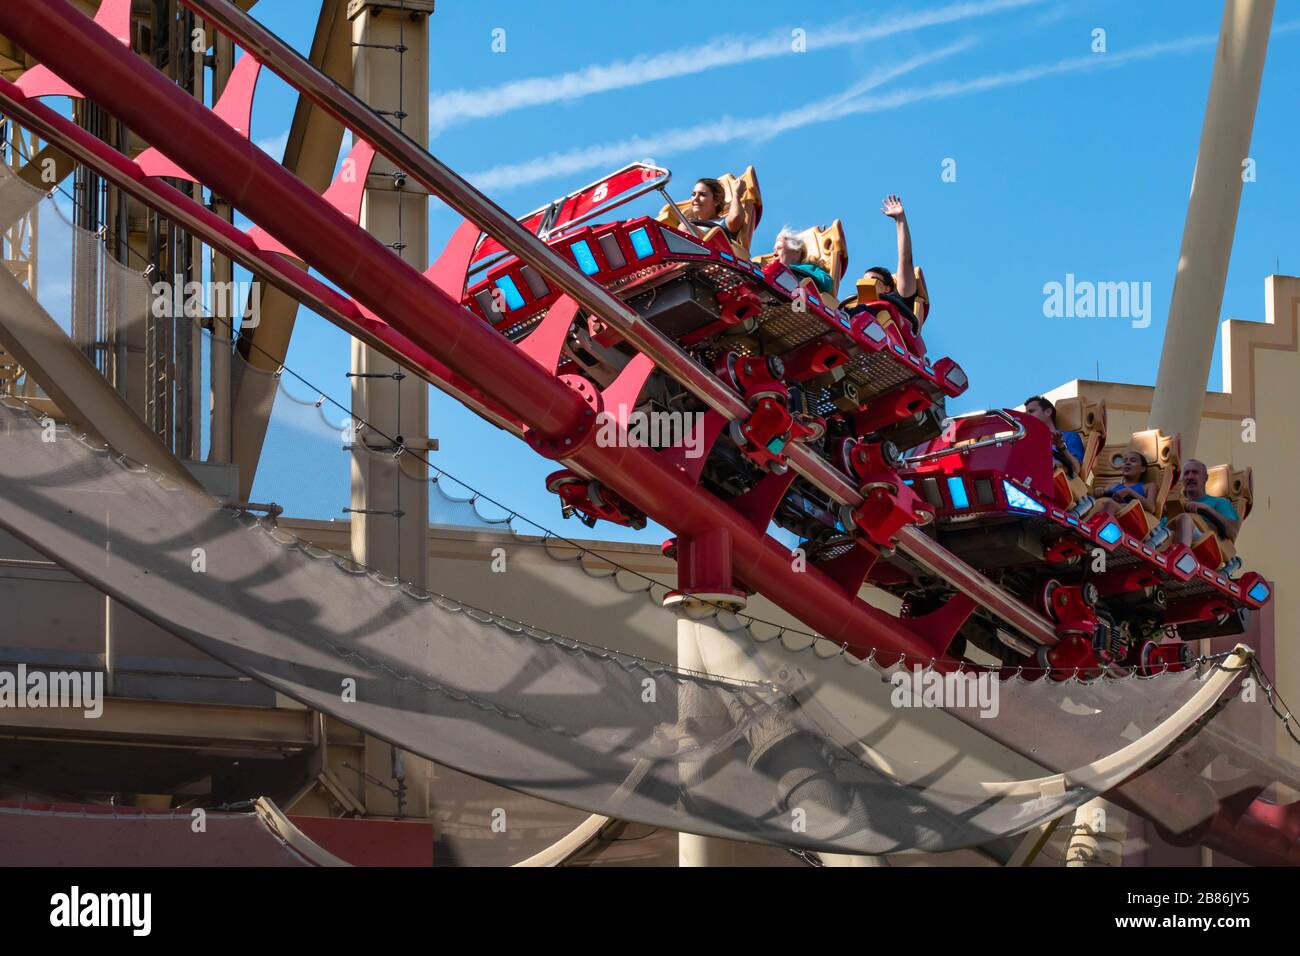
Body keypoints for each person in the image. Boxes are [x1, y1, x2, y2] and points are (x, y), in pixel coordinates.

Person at [858, 194, 920, 332]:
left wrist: (900, 220)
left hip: (891, 333)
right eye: (863, 280)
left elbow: (905, 260)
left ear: (887, 288)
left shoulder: (899, 298)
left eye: (872, 279)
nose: (865, 283)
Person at [1168, 458, 1240, 548]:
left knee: (1184, 518)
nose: (1190, 477)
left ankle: (1180, 556)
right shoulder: (1176, 504)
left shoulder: (1220, 502)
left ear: (1206, 478)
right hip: (1169, 539)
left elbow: (1233, 533)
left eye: (1195, 472)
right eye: (1186, 473)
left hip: (1206, 544)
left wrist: (1206, 508)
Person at [1023, 395, 1084, 478]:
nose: (1027, 415)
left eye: (1031, 411)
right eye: (1026, 413)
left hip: (1058, 483)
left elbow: (1076, 469)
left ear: (1048, 412)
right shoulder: (1028, 442)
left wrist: (1061, 447)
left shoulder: (1069, 436)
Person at [1093, 448, 1156, 517]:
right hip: (1106, 512)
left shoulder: (1148, 486)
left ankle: (1085, 526)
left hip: (1129, 516)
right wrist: (1098, 492)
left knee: (1108, 504)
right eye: (1124, 461)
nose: (1127, 463)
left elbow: (1151, 508)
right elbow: (1099, 497)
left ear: (1143, 468)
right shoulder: (1113, 485)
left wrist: (1129, 492)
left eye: (1133, 460)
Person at [772, 227, 834, 292]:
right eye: (774, 250)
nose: (774, 254)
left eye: (779, 248)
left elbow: (828, 283)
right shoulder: (772, 271)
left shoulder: (809, 268)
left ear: (796, 251)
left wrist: (796, 271)